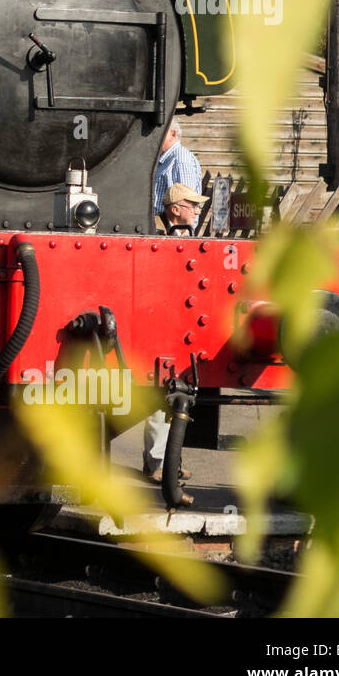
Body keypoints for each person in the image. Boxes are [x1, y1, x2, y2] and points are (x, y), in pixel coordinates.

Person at [145, 122, 203, 482]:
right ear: (177, 207)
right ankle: (160, 462)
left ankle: (163, 461)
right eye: (192, 206)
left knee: (172, 387)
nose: (196, 210)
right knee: (163, 387)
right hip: (164, 313)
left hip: (171, 310)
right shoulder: (165, 161)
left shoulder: (178, 161)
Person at [153, 118, 202, 226]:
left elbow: (186, 203)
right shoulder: (166, 159)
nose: (153, 137)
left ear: (173, 134)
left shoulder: (181, 160)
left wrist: (180, 233)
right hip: (160, 228)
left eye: (159, 132)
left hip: (171, 232)